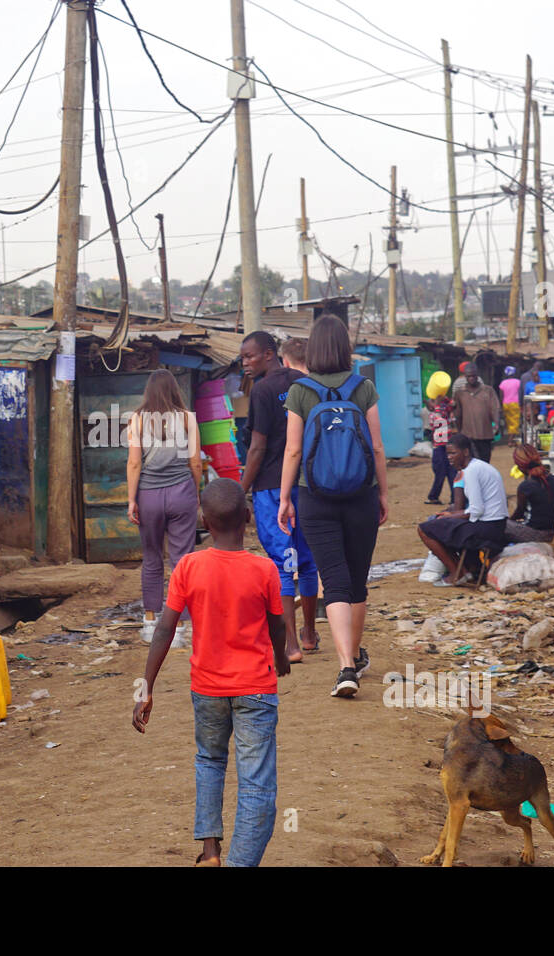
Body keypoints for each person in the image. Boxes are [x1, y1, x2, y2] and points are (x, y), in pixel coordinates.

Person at [132, 478, 289, 867]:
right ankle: (238, 863)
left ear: (203, 519)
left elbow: (166, 628)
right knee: (256, 787)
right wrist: (282, 658)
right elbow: (276, 624)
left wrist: (146, 686)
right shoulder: (264, 569)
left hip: (207, 688)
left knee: (209, 761)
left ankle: (211, 851)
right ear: (248, 519)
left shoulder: (189, 566)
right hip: (255, 688)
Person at [277, 314, 388, 698]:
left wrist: (285, 497)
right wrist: (384, 494)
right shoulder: (364, 387)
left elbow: (293, 450)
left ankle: (345, 668)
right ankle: (354, 656)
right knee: (357, 581)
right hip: (362, 495)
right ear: (344, 348)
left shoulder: (300, 391)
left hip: (315, 497)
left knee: (334, 580)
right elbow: (375, 446)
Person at [239, 331, 318, 660]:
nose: (245, 363)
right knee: (308, 561)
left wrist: (238, 490)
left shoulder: (262, 390)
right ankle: (310, 633)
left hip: (272, 489)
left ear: (269, 354)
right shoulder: (304, 382)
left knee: (282, 565)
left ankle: (291, 645)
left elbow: (257, 448)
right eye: (243, 358)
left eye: (250, 357)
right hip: (307, 486)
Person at [126, 369, 202, 647]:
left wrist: (132, 499)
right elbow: (195, 463)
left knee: (151, 557)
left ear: (149, 391)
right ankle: (180, 627)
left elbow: (134, 463)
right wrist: (195, 493)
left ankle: (149, 622)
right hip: (181, 491)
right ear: (174, 390)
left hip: (148, 494)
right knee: (182, 561)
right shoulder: (187, 418)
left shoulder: (137, 418)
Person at [417, 433, 508, 585]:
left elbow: (475, 510)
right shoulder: (478, 466)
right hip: (495, 524)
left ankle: (456, 573)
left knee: (424, 529)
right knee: (439, 524)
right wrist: (450, 515)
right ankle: (463, 571)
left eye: (453, 453)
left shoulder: (471, 471)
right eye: (448, 454)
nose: (449, 457)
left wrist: (449, 517)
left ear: (465, 452)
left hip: (488, 527)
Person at [506, 444, 554, 543]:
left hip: (534, 534)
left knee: (501, 525)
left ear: (520, 466)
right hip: (550, 532)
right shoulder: (553, 480)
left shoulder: (525, 487)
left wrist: (509, 520)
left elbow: (519, 513)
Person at [454, 363, 503, 463]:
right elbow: (458, 414)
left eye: (473, 376)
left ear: (477, 375)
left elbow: (495, 408)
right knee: (471, 462)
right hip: (468, 435)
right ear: (465, 377)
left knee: (484, 462)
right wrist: (459, 431)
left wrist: (496, 424)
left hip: (485, 434)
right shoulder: (460, 393)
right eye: (469, 376)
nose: (471, 378)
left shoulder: (488, 390)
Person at [426, 392, 453, 505]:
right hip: (440, 447)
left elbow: (452, 404)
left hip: (445, 447)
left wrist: (444, 398)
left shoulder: (445, 411)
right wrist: (438, 404)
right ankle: (434, 496)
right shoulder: (433, 415)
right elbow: (440, 422)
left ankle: (454, 498)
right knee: (440, 472)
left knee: (452, 473)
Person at [499, 365, 522, 438]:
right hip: (515, 404)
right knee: (515, 421)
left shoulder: (503, 383)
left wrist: (501, 404)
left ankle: (511, 437)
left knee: (509, 421)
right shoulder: (518, 382)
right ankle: (510, 439)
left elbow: (501, 395)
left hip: (505, 404)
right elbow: (520, 393)